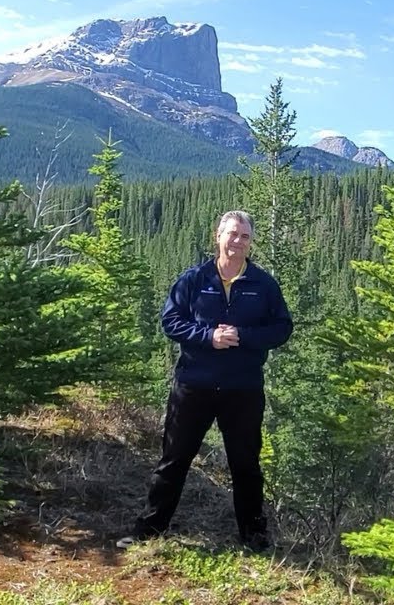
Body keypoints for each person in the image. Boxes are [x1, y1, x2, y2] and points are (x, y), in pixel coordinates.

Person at [117, 210, 293, 552]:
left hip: (242, 389)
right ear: (218, 236)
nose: (238, 241)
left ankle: (254, 537)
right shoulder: (194, 279)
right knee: (173, 460)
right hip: (193, 385)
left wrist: (243, 336)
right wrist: (208, 337)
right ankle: (149, 530)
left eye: (244, 236)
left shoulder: (263, 285)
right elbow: (170, 321)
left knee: (245, 465)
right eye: (232, 234)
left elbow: (282, 328)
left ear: (250, 242)